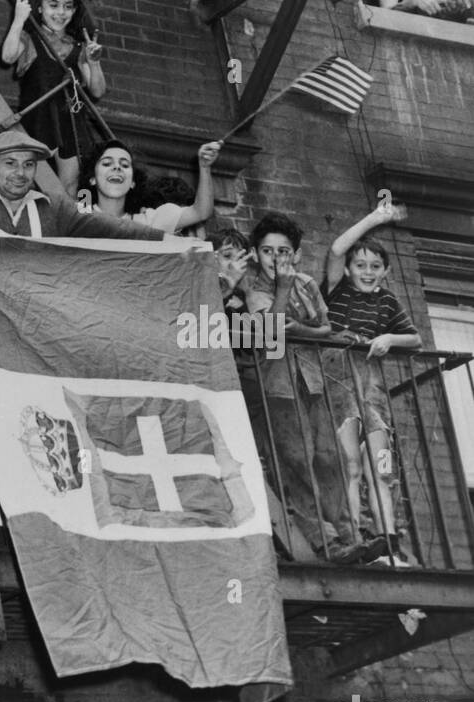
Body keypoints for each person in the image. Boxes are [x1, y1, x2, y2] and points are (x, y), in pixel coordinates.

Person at [240, 211, 358, 561]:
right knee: (296, 458)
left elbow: (326, 328)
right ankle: (324, 539)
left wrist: (298, 328)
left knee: (329, 457)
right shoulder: (253, 284)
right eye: (267, 251)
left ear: (296, 254)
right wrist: (284, 295)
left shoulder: (306, 283)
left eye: (283, 251)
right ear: (256, 254)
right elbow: (272, 330)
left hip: (313, 379)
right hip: (277, 382)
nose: (276, 258)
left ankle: (348, 534)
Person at [322, 200, 422, 566]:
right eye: (360, 265)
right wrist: (377, 218)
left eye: (375, 266)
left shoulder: (386, 302)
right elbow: (335, 247)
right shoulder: (335, 290)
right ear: (347, 270)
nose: (367, 271)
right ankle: (355, 538)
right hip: (338, 380)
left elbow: (416, 339)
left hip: (372, 388)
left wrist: (389, 340)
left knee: (380, 466)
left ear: (386, 271)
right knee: (348, 463)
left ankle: (391, 544)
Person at [0, 130, 167, 240]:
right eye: (10, 163)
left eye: (29, 164)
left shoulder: (55, 207)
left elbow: (112, 228)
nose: (20, 172)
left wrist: (167, 241)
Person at [1, 0, 105, 196]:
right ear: (39, 8)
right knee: (31, 183)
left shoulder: (78, 47)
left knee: (70, 187)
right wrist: (19, 19)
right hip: (36, 120)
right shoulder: (30, 39)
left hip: (71, 123)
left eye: (68, 6)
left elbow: (97, 90)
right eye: (53, 5)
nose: (61, 12)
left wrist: (94, 63)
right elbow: (8, 56)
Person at [83, 137, 221, 233]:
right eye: (107, 163)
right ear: (92, 179)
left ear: (132, 182)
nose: (117, 168)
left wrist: (204, 167)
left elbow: (201, 212)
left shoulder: (150, 222)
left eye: (125, 165)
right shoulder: (79, 218)